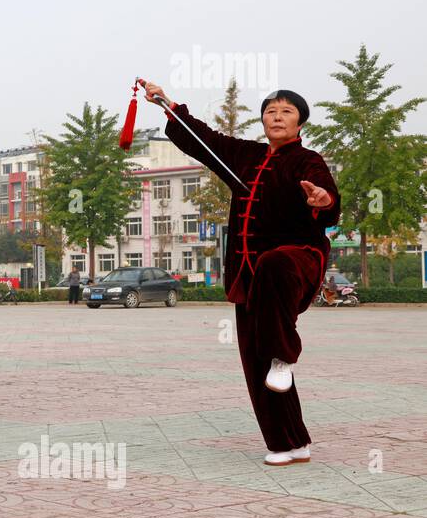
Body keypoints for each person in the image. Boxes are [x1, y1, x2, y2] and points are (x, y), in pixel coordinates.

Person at [142, 82, 341, 466]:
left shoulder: (308, 160)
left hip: (298, 260)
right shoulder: (247, 156)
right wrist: (167, 105)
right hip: (249, 276)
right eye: (270, 111)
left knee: (274, 264)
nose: (276, 116)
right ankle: (289, 443)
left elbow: (327, 195)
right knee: (255, 360)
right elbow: (205, 140)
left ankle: (286, 355)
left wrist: (323, 199)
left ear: (300, 121)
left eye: (286, 111)